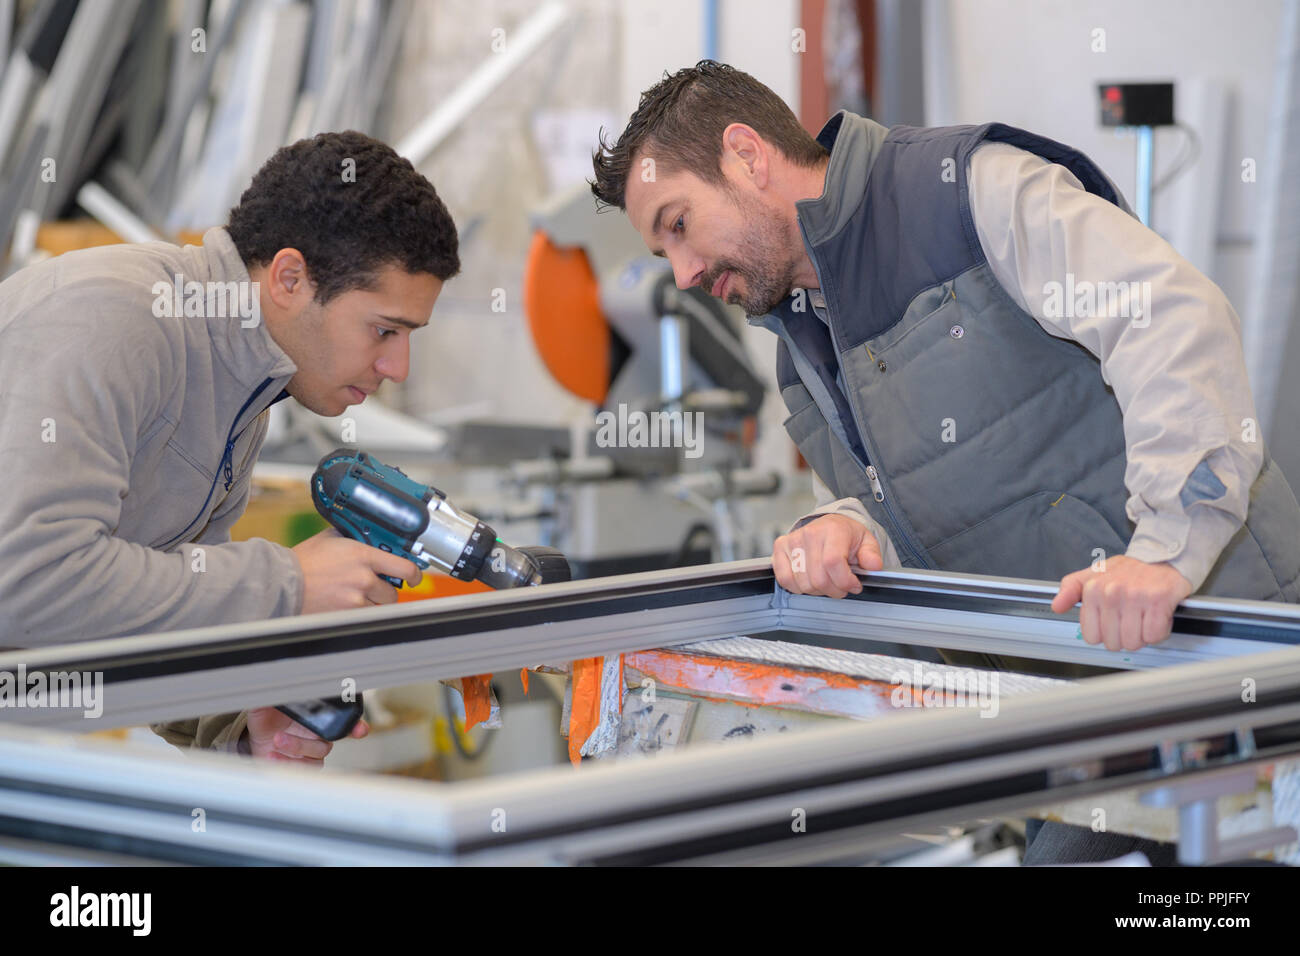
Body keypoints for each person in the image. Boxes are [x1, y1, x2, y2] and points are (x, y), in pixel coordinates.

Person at [590, 60, 1300, 863]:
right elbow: (919, 491)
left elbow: (1170, 318)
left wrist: (1166, 549)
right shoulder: (800, 344)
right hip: (1076, 707)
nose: (682, 275)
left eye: (678, 225)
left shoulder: (963, 191)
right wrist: (847, 525)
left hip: (1227, 661)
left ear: (747, 155)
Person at [0, 130, 458, 765]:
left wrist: (240, 722)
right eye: (384, 329)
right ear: (290, 278)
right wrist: (289, 583)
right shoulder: (112, 320)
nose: (398, 365)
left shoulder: (244, 386)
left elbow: (155, 612)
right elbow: (27, 582)